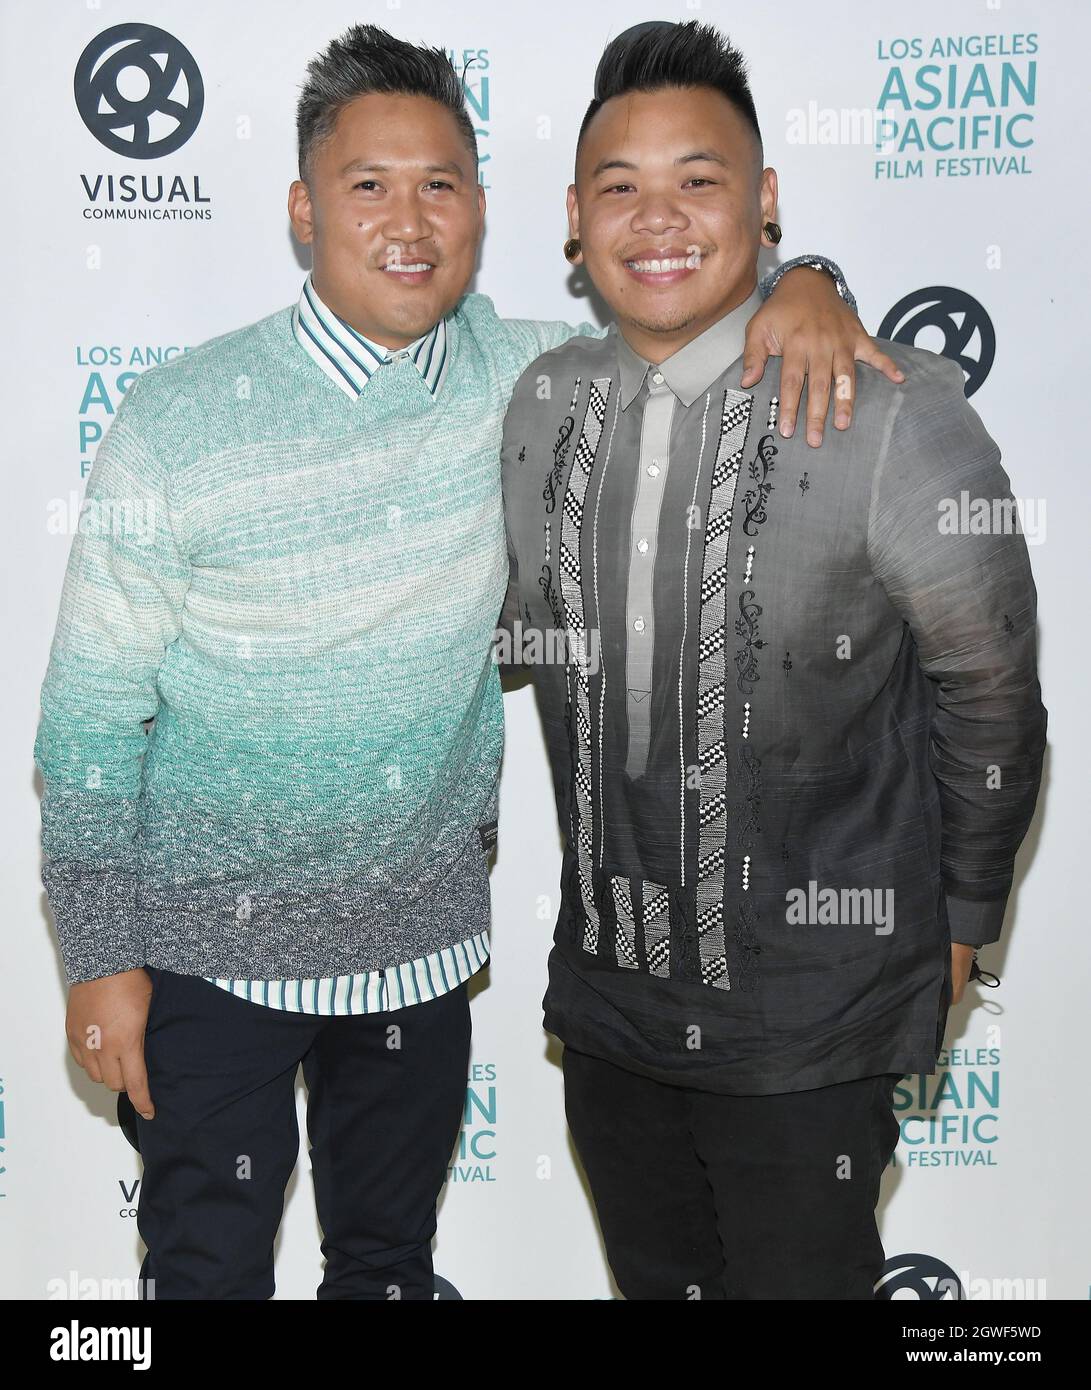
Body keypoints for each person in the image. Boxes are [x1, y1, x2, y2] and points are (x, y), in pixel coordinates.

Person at [36, 23, 895, 1299]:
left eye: (438, 184)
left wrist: (805, 275)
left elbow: (682, 298)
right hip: (208, 958)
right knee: (202, 1277)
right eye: (367, 184)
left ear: (483, 212)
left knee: (387, 1269)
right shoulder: (176, 419)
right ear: (300, 208)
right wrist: (100, 958)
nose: (408, 218)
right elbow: (88, 721)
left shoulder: (530, 382)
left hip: (419, 960)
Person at [499, 20, 1046, 1299]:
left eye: (699, 179)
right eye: (619, 188)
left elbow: (989, 694)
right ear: (574, 221)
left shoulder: (893, 409)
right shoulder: (535, 401)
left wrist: (962, 920)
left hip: (813, 1017)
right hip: (608, 1001)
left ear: (765, 202)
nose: (659, 217)